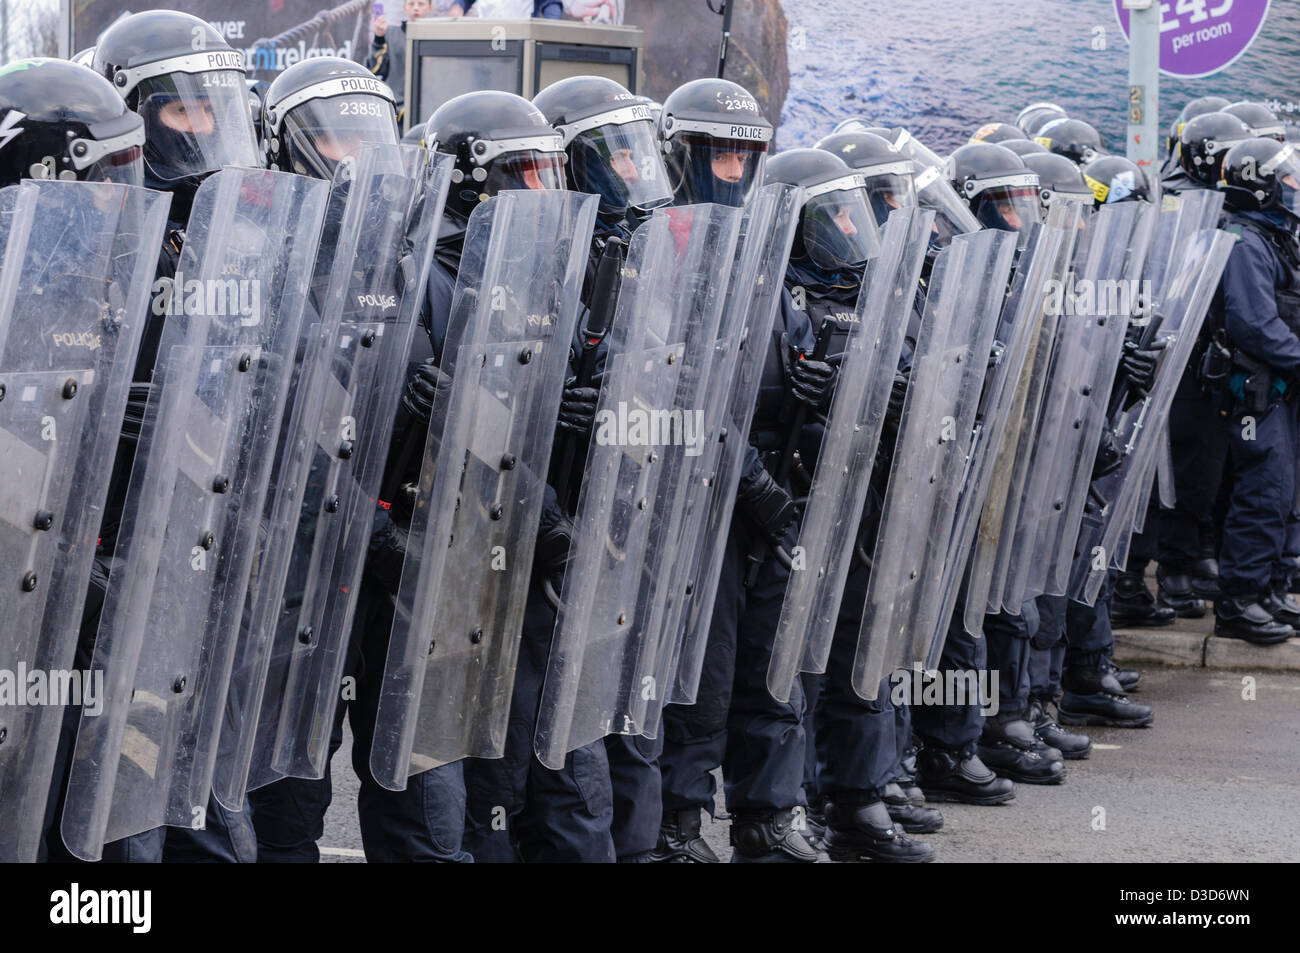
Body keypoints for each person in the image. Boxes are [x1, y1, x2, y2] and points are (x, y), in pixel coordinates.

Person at [35, 9, 264, 863]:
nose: (204, 130)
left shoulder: (228, 256)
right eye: (182, 110)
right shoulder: (59, 264)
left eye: (217, 107)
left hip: (181, 583)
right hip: (61, 606)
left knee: (211, 835)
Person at [652, 79, 826, 863]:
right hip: (695, 504)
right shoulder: (658, 247)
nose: (730, 166)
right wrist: (747, 476)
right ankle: (678, 821)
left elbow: (780, 363)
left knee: (772, 664)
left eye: (742, 152)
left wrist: (817, 385)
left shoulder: (769, 255)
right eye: (716, 151)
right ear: (682, 154)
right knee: (698, 672)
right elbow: (668, 384)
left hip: (770, 501)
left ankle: (768, 815)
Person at [1205, 137, 1300, 644]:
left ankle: (1270, 591)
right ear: (1260, 189)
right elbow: (1254, 324)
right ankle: (1239, 602)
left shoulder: (1277, 236)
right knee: (1263, 491)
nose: (1295, 186)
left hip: (1282, 385)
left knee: (1285, 493)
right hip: (1257, 389)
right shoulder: (1244, 241)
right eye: (1286, 179)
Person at [367, 0, 438, 123]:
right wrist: (379, 37)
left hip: (428, 112)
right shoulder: (390, 33)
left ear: (430, 8)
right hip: (397, 113)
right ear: (405, 7)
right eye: (411, 4)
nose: (416, 8)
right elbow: (374, 69)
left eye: (421, 4)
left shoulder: (438, 37)